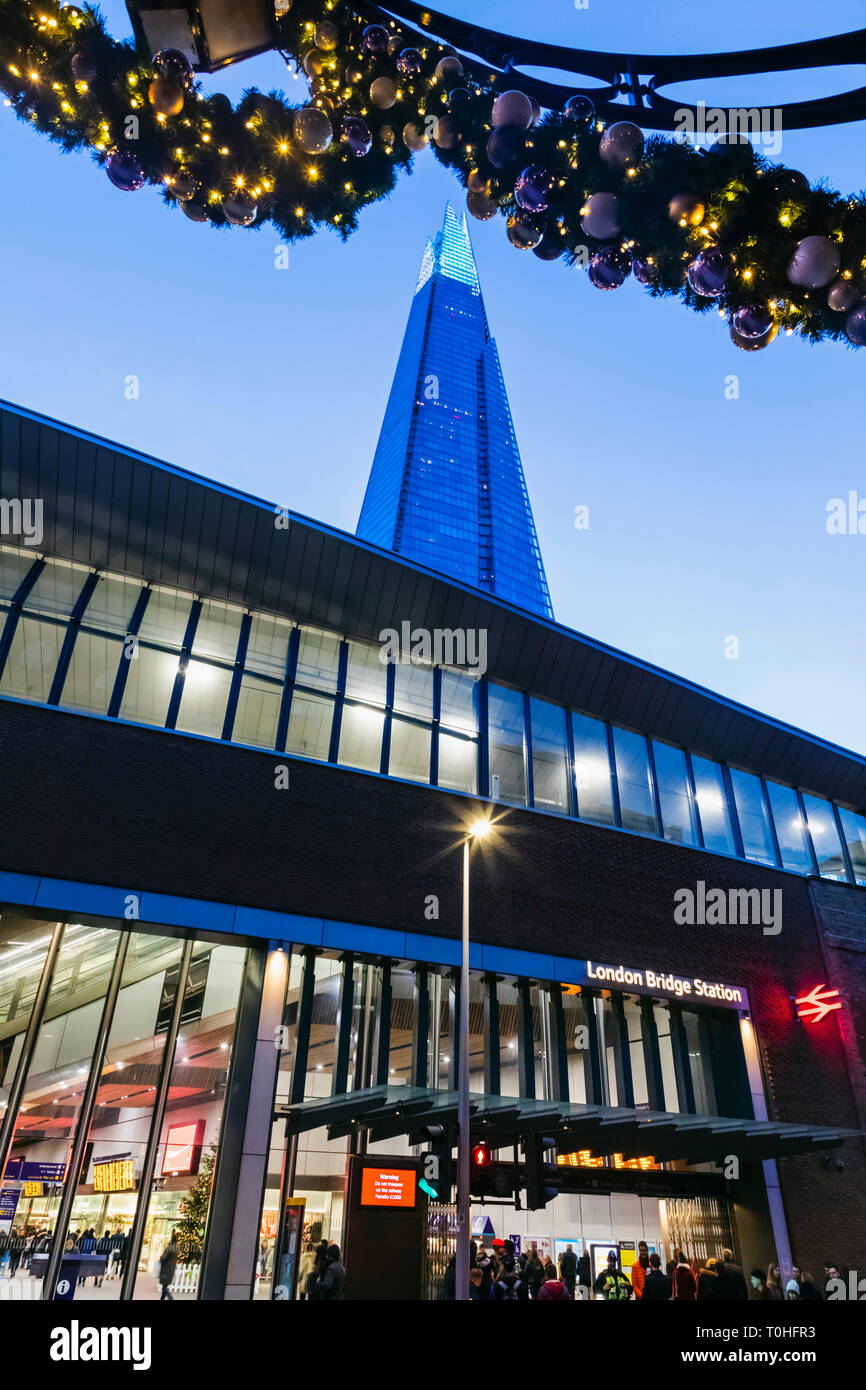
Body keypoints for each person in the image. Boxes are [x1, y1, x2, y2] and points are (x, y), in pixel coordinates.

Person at [158, 1233, 178, 1301]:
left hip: (166, 1269)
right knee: (165, 1285)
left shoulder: (169, 1248)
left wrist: (160, 1258)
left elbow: (164, 1258)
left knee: (164, 1287)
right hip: (171, 1269)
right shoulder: (176, 1248)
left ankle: (170, 1296)